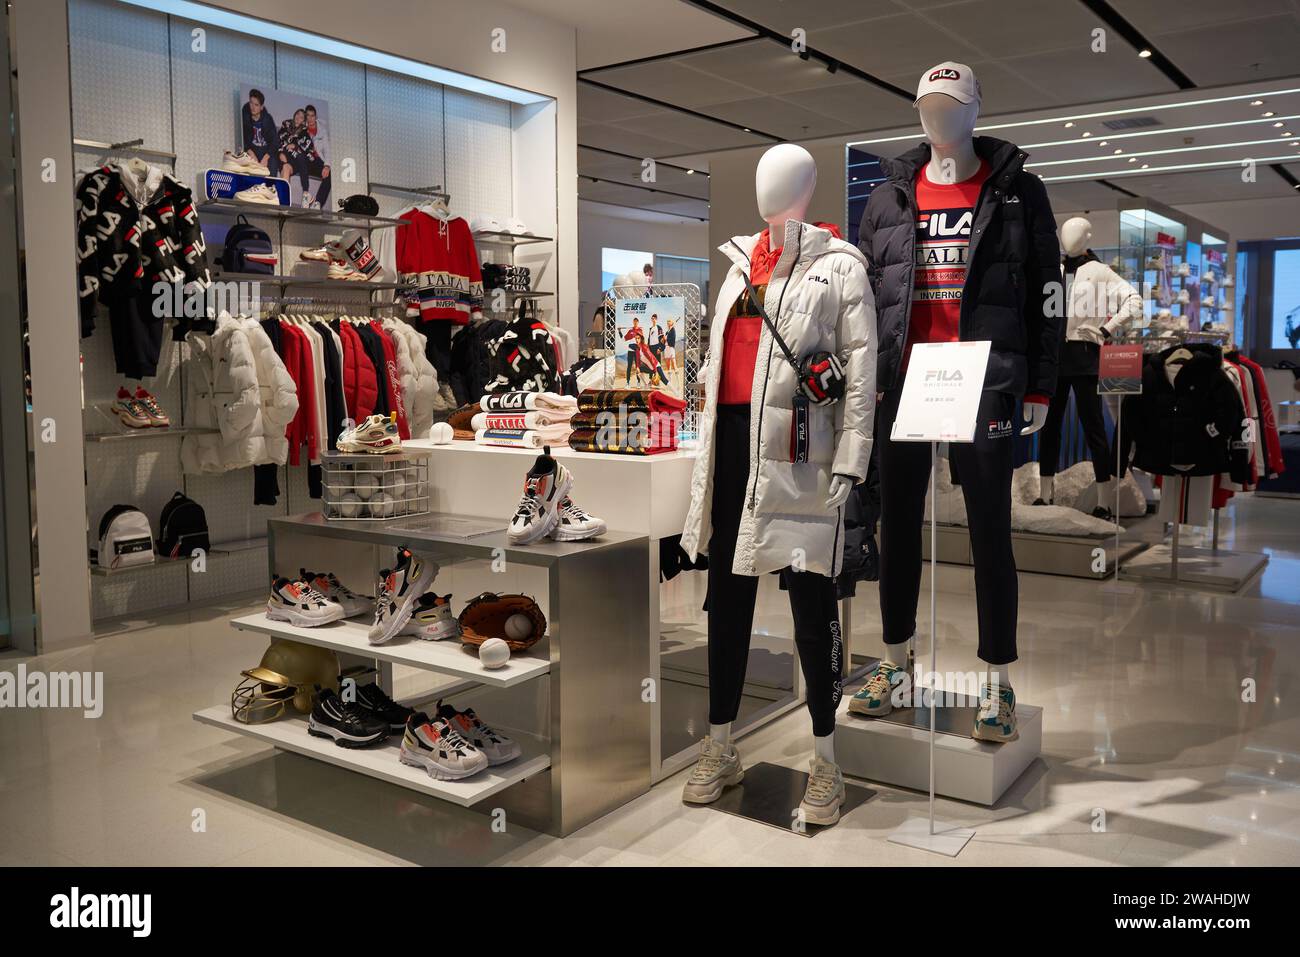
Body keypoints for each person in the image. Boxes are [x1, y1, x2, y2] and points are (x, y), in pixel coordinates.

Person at [298, 104, 331, 210]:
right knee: (301, 158)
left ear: (315, 117)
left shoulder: (322, 131)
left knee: (329, 175)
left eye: (312, 116)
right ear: (306, 116)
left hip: (317, 160)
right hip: (305, 160)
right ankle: (306, 196)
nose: (310, 118)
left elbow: (327, 149)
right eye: (308, 115)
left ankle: (318, 203)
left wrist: (327, 166)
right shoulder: (302, 129)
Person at [241, 89, 278, 174]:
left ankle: (271, 186)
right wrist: (251, 154)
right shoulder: (245, 116)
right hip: (252, 149)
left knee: (272, 163)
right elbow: (243, 138)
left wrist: (265, 158)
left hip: (266, 150)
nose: (252, 107)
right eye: (251, 103)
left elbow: (275, 142)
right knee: (247, 164)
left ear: (261, 107)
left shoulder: (267, 119)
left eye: (256, 105)